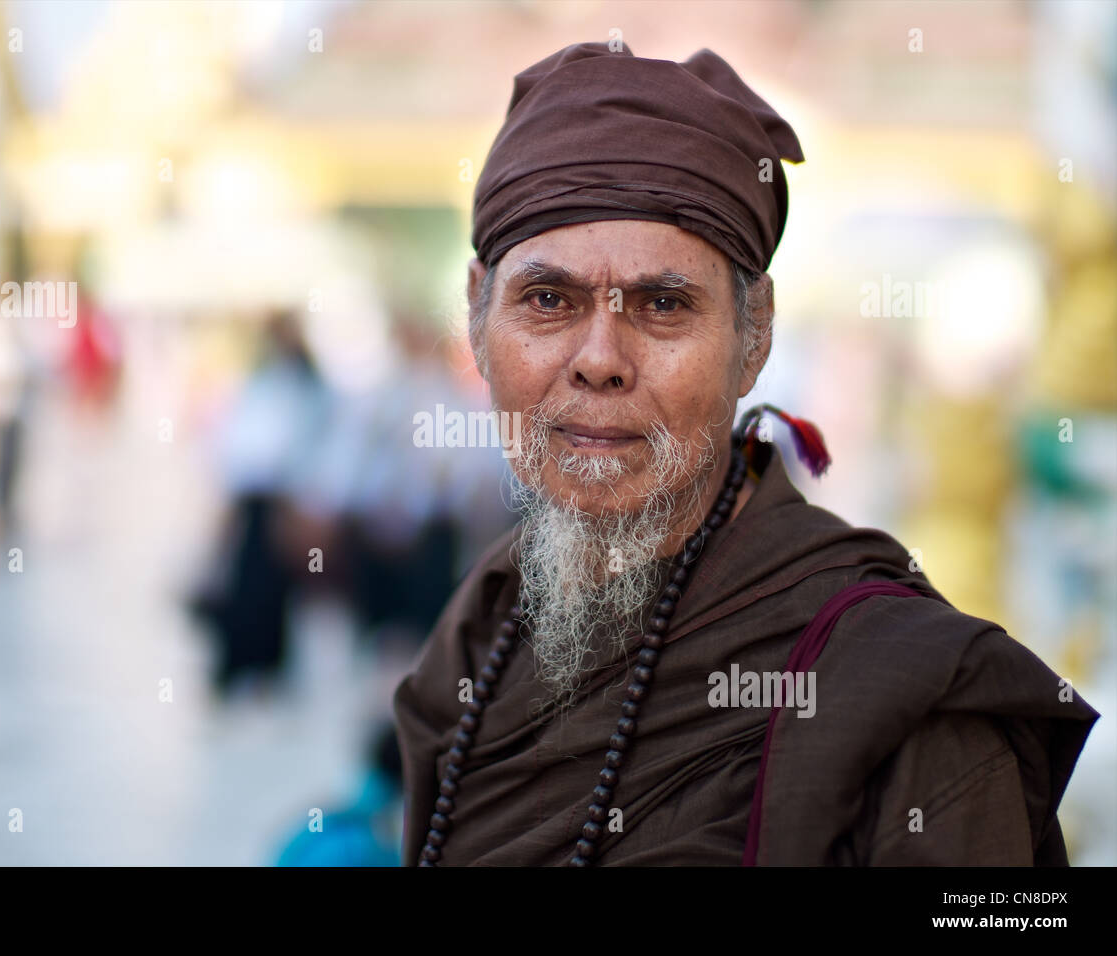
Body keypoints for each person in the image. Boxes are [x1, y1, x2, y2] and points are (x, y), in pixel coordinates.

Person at [392, 42, 1099, 866]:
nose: (598, 359)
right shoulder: (482, 629)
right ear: (479, 312)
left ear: (754, 334)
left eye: (663, 305)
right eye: (547, 300)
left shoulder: (899, 689)